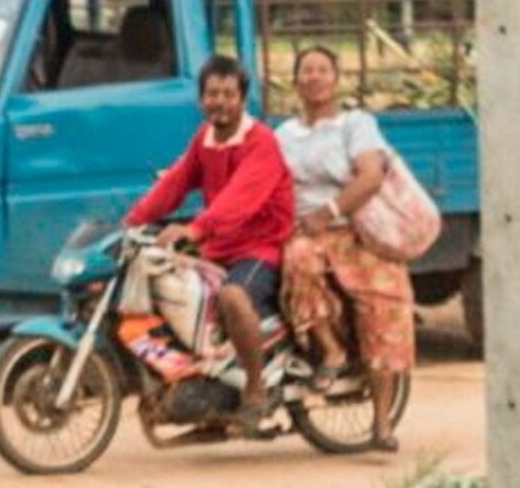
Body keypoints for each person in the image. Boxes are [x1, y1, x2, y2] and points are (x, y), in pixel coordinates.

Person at [125, 53, 294, 433]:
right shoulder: (205, 139)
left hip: (259, 249)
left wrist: (195, 230)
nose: (220, 102)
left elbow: (240, 199)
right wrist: (132, 222)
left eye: (228, 94)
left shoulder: (260, 143)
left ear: (243, 99)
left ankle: (255, 388)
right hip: (218, 248)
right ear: (201, 99)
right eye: (212, 94)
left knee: (234, 297)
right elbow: (175, 183)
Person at [273, 44, 413, 453]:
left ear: (336, 79)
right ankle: (331, 350)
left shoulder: (356, 124)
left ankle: (382, 423)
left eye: (322, 69)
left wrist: (330, 209)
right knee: (297, 261)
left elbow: (370, 176)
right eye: (306, 70)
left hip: (357, 233)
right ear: (296, 81)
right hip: (308, 237)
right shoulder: (284, 135)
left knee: (383, 310)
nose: (314, 77)